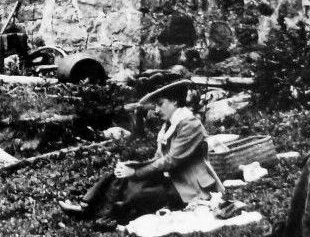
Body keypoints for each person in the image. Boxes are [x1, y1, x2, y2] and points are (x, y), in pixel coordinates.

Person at [60, 82, 226, 227]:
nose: (156, 109)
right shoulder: (169, 125)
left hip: (189, 185)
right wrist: (132, 167)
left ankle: (103, 215)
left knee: (137, 194)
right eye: (155, 105)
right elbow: (158, 158)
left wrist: (137, 172)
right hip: (171, 178)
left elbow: (171, 161)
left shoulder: (190, 124)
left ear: (175, 101)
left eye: (160, 104)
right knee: (119, 176)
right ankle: (86, 206)